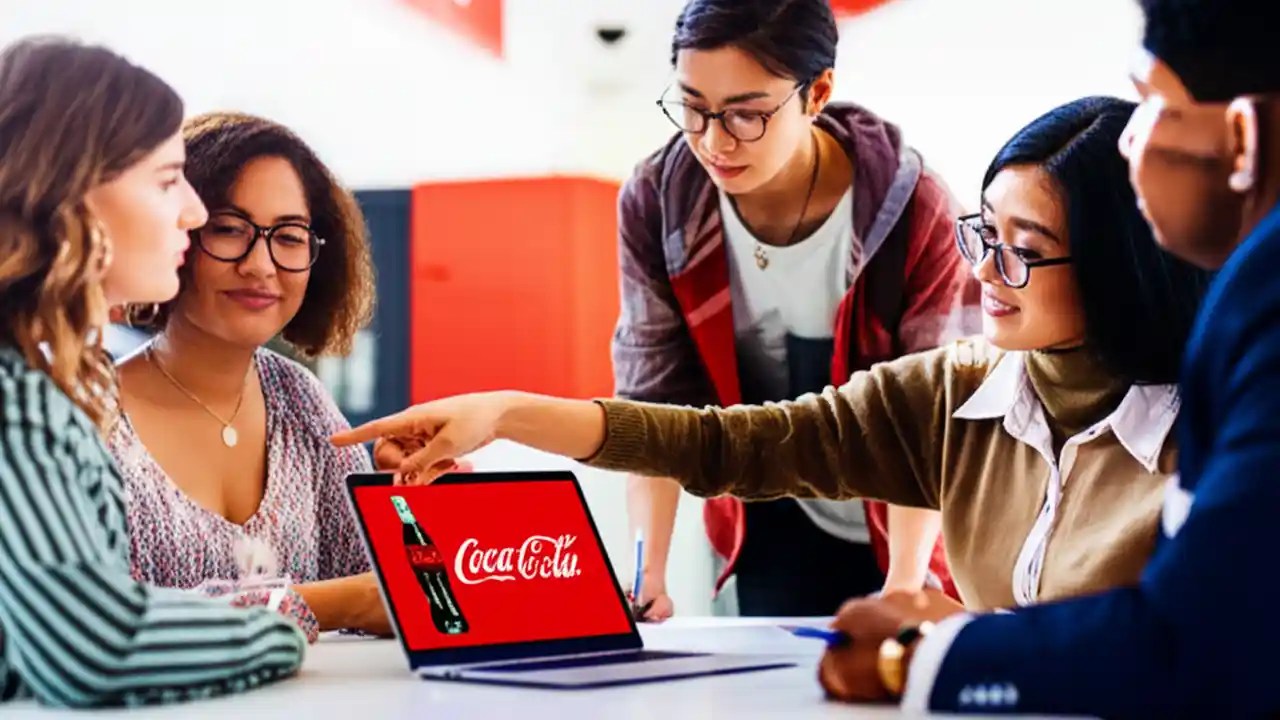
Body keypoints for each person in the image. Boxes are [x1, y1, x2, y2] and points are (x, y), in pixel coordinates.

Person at [333, 96, 1211, 617]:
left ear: (1116, 265)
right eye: (985, 233)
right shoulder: (957, 395)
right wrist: (505, 412)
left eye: (1024, 248)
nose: (984, 270)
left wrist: (963, 642)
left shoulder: (1212, 430)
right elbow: (732, 443)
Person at [813, 0, 1280, 715]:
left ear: (1242, 138)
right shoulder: (1243, 293)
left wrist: (927, 654)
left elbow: (1202, 635)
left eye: (1153, 102)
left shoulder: (1264, 309)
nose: (1130, 143)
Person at [619, 0, 977, 619]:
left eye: (747, 115)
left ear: (818, 94)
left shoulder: (914, 210)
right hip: (766, 517)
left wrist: (904, 586)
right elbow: (654, 400)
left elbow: (930, 417)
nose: (713, 141)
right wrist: (647, 576)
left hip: (905, 520)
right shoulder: (660, 203)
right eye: (693, 107)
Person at [0, 37, 308, 708]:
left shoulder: (37, 390)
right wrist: (276, 633)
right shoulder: (17, 406)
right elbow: (94, 647)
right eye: (169, 181)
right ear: (71, 195)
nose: (194, 214)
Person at [109, 112, 389, 636]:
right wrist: (327, 604)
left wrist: (414, 509)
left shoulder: (301, 400)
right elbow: (98, 631)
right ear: (177, 236)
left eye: (288, 236)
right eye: (230, 230)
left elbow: (381, 592)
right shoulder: (83, 418)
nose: (261, 265)